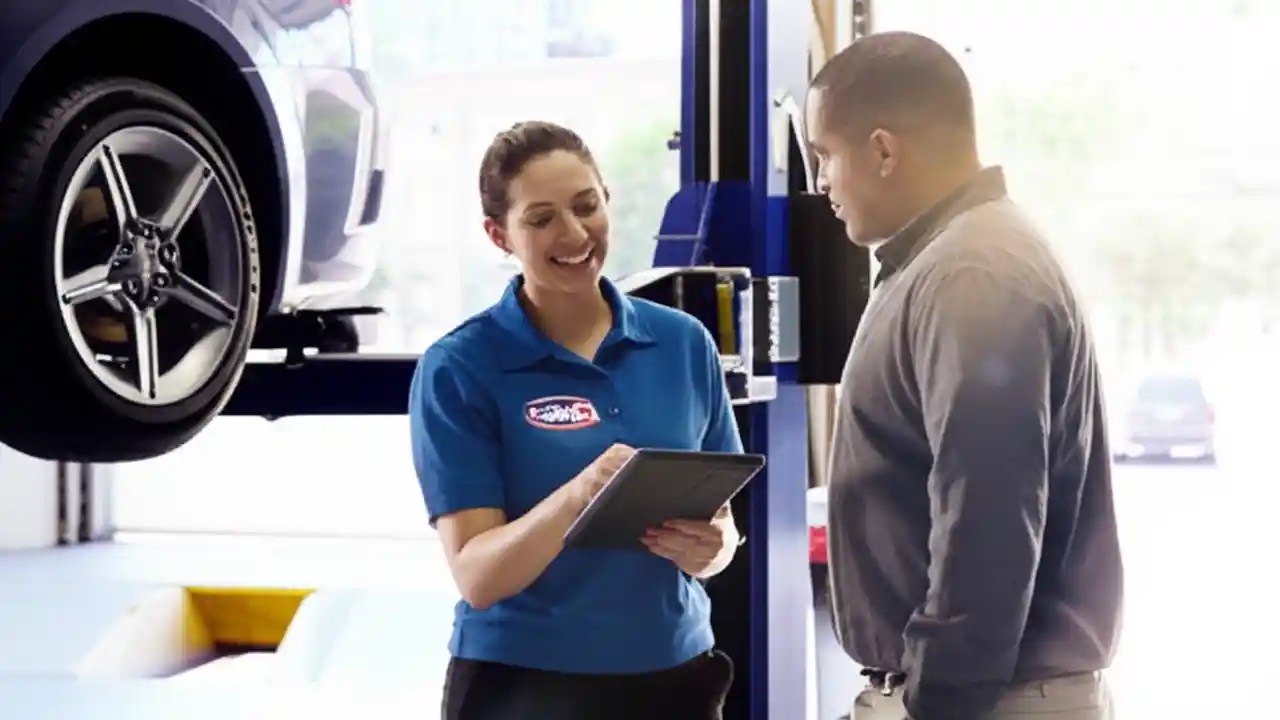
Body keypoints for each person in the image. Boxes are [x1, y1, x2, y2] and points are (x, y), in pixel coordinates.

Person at [805, 32, 1124, 720]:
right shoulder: (949, 261)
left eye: (825, 156)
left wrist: (937, 701)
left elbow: (988, 514)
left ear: (884, 151)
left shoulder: (973, 277)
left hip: (982, 702)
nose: (821, 183)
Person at [408, 120, 742, 720]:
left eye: (586, 206)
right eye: (540, 219)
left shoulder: (683, 344)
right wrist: (582, 494)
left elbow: (723, 529)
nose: (573, 233)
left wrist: (713, 549)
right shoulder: (460, 368)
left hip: (677, 677)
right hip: (525, 687)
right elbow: (478, 576)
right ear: (498, 235)